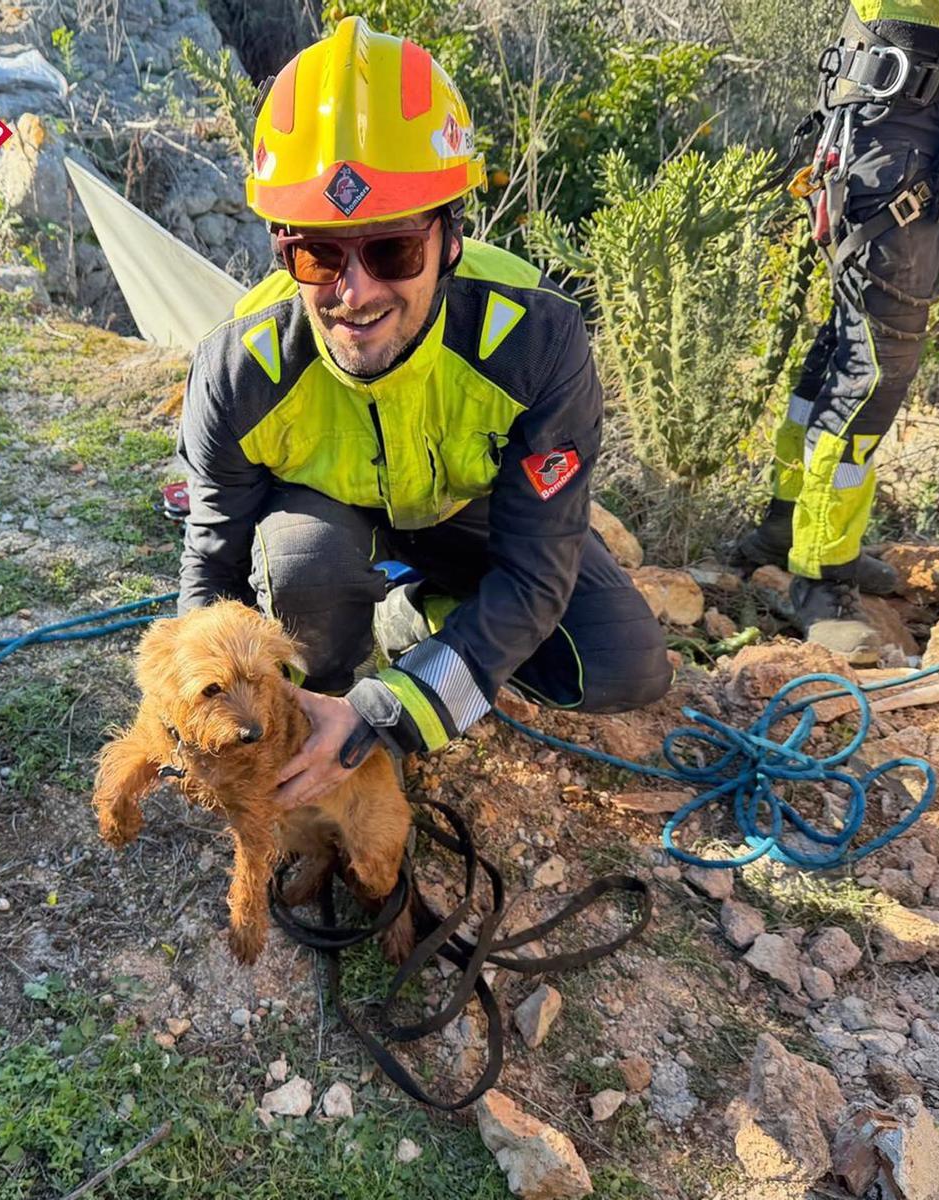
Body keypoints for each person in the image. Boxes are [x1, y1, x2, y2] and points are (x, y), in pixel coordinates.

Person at [176, 17, 671, 809]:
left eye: (393, 251)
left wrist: (390, 713)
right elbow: (212, 564)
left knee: (620, 666)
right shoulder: (241, 368)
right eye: (319, 253)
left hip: (469, 517)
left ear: (449, 239)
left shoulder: (534, 343)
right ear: (281, 250)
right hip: (328, 528)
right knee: (302, 565)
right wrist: (200, 701)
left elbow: (537, 573)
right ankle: (323, 699)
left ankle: (414, 629)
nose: (356, 291)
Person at [734, 0, 939, 659]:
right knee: (876, 362)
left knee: (847, 341)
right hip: (896, 125)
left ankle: (785, 530)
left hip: (914, 116)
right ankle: (818, 577)